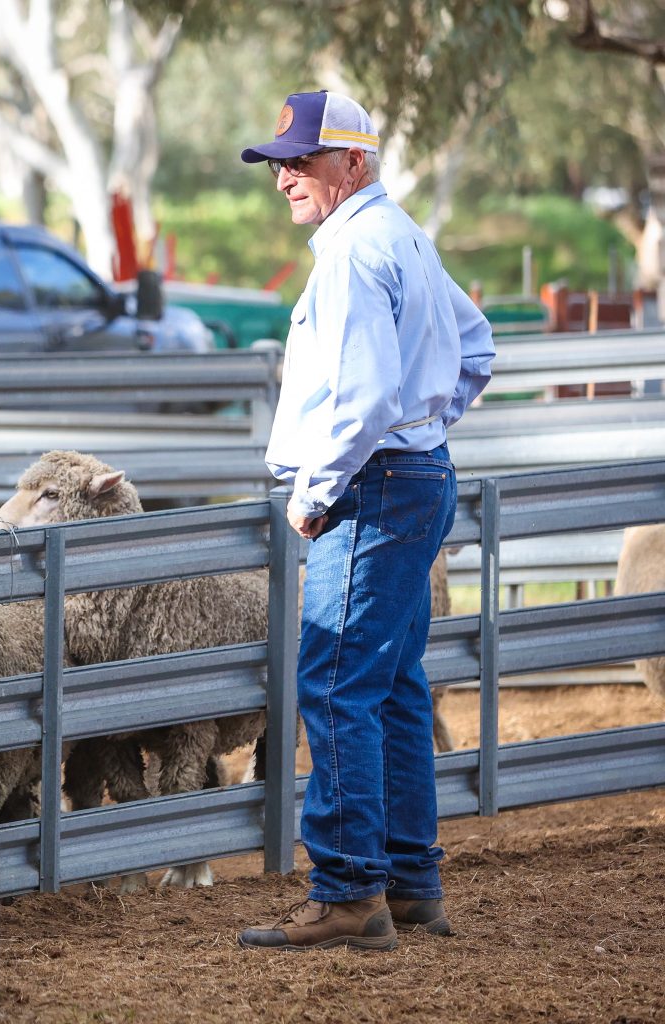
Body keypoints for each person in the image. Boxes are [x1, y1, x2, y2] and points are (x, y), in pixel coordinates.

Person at [235, 90, 495, 951]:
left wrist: (314, 496)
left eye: (302, 160)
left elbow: (364, 395)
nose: (284, 178)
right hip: (411, 478)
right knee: (393, 685)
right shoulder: (403, 238)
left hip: (370, 488)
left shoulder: (352, 252)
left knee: (337, 682)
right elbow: (478, 345)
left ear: (354, 162)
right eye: (280, 163)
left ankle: (349, 893)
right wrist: (429, 428)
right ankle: (412, 881)